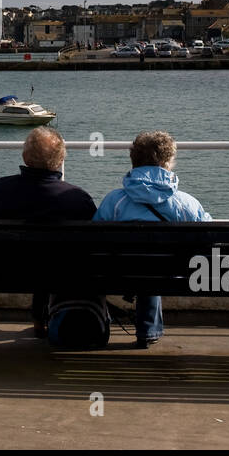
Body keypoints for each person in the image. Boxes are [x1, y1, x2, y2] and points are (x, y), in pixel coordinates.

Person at [0, 126, 97, 337]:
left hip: (4, 271)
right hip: (59, 273)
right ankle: (44, 319)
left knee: (36, 256)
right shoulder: (78, 199)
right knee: (51, 258)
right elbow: (91, 243)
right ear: (60, 159)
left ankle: (40, 320)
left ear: (25, 157)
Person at [93, 130, 211, 347]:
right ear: (168, 162)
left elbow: (95, 240)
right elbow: (208, 235)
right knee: (155, 265)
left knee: (140, 263)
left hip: (121, 271)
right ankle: (148, 331)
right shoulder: (186, 204)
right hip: (170, 273)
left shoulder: (114, 202)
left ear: (133, 160)